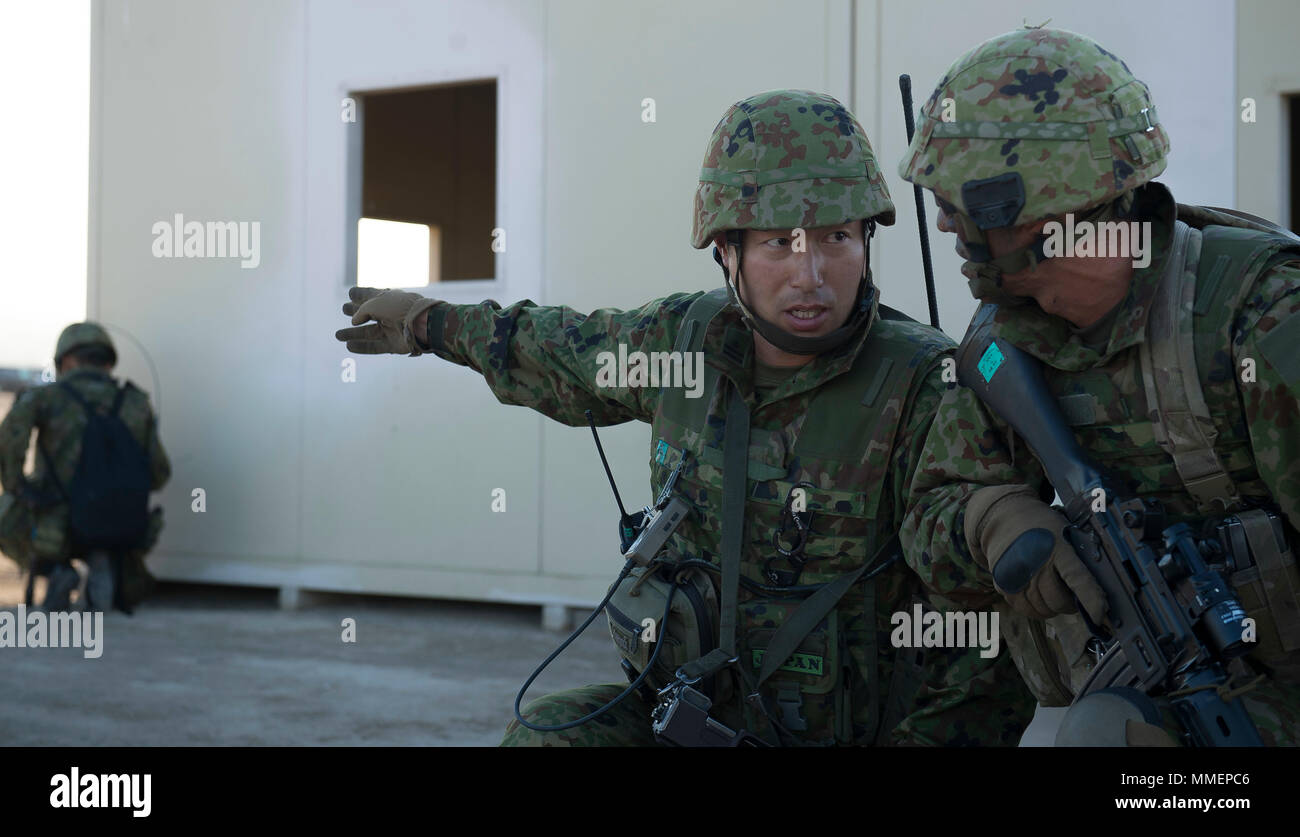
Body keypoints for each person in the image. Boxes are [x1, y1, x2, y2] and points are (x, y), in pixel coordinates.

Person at [337, 89, 1034, 746]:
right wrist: (430, 324)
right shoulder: (682, 343)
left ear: (865, 241)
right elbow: (556, 349)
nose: (811, 274)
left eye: (835, 238)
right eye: (777, 244)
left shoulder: (926, 384)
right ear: (725, 252)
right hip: (690, 722)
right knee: (551, 733)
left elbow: (983, 642)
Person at [898, 26, 1300, 745]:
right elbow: (929, 519)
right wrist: (996, 523)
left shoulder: (1257, 318)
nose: (943, 222)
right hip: (1154, 703)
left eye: (959, 203)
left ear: (1048, 212)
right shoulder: (1004, 343)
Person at [0, 323, 170, 613]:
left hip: (56, 519)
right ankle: (102, 564)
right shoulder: (134, 401)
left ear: (66, 360)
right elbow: (159, 473)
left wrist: (21, 489)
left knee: (6, 512)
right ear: (107, 361)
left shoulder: (47, 396)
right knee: (106, 534)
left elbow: (8, 445)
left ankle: (55, 571)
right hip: (117, 522)